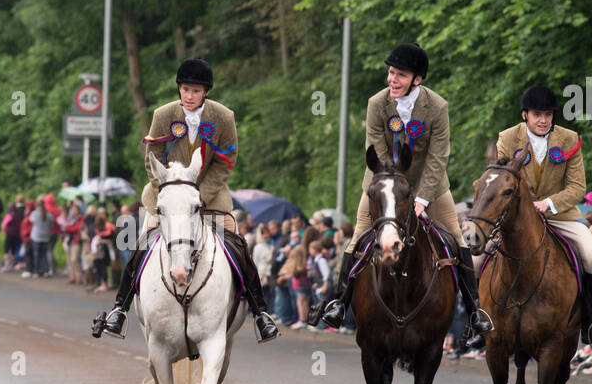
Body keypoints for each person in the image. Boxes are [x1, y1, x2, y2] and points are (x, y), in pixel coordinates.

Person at [316, 43, 491, 348]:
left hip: (429, 185)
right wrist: (393, 185)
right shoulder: (376, 103)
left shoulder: (437, 107)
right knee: (358, 234)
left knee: (455, 236)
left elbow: (438, 157)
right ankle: (339, 302)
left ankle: (475, 313)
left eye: (400, 74)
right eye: (391, 72)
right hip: (383, 183)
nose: (392, 79)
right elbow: (376, 148)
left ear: (417, 79)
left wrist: (421, 199)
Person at [91, 58, 280, 343]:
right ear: (179, 89)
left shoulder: (223, 117)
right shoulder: (163, 114)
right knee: (140, 244)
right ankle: (120, 308)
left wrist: (197, 197)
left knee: (238, 246)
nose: (189, 96)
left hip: (211, 196)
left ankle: (260, 311)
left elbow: (226, 161)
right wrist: (172, 193)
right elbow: (151, 159)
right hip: (165, 195)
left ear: (206, 92)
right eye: (185, 90)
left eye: (195, 91)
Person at [492, 85, 592, 349]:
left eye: (548, 114)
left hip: (560, 214)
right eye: (537, 114)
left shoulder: (569, 139)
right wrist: (525, 206)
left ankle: (590, 325)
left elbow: (577, 187)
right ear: (525, 114)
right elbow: (503, 179)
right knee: (479, 255)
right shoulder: (507, 138)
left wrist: (548, 203)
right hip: (517, 216)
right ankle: (479, 319)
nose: (543, 120)